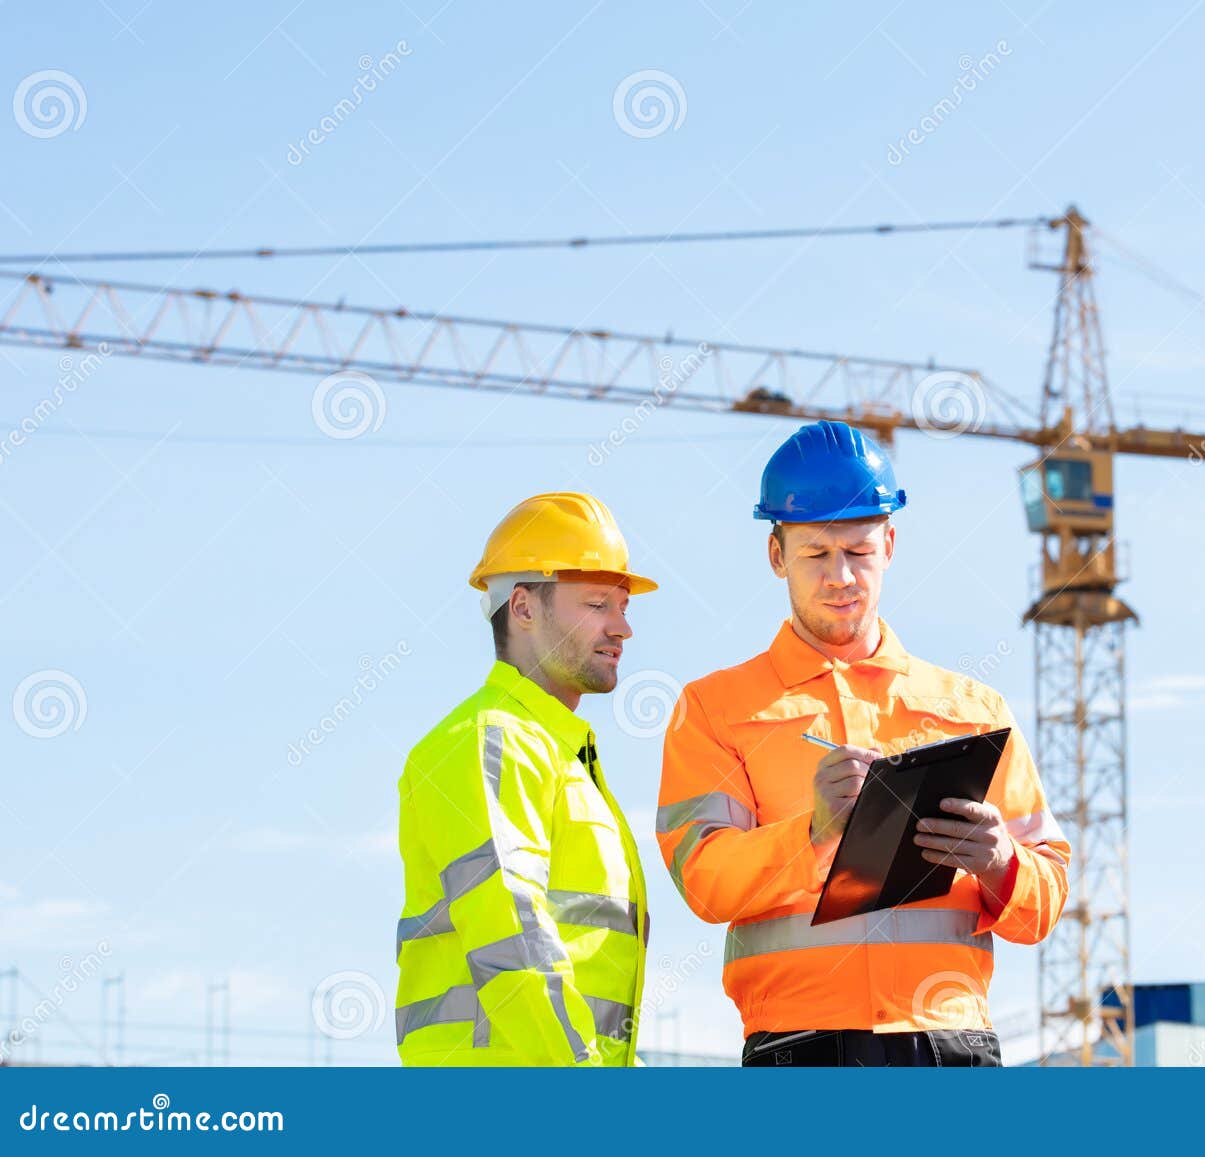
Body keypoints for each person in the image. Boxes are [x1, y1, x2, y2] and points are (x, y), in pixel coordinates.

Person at [657, 421, 1070, 1067]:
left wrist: (1000, 861)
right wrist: (812, 832)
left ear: (891, 544)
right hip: (799, 1049)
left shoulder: (974, 710)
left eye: (858, 550)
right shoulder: (715, 708)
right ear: (776, 555)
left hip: (951, 1047)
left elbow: (1045, 900)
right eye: (816, 553)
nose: (840, 575)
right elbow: (705, 882)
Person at [395, 492, 654, 1066]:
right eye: (597, 605)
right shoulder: (489, 740)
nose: (622, 628)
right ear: (523, 607)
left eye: (624, 606)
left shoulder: (563, 754)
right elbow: (513, 937)